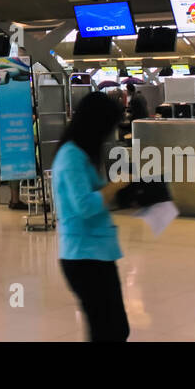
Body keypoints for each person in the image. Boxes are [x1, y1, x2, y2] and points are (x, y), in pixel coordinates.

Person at [52, 91, 130, 342]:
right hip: (83, 256)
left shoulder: (82, 154)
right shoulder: (71, 157)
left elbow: (96, 195)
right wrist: (115, 187)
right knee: (107, 331)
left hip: (97, 251)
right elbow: (84, 205)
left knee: (114, 329)